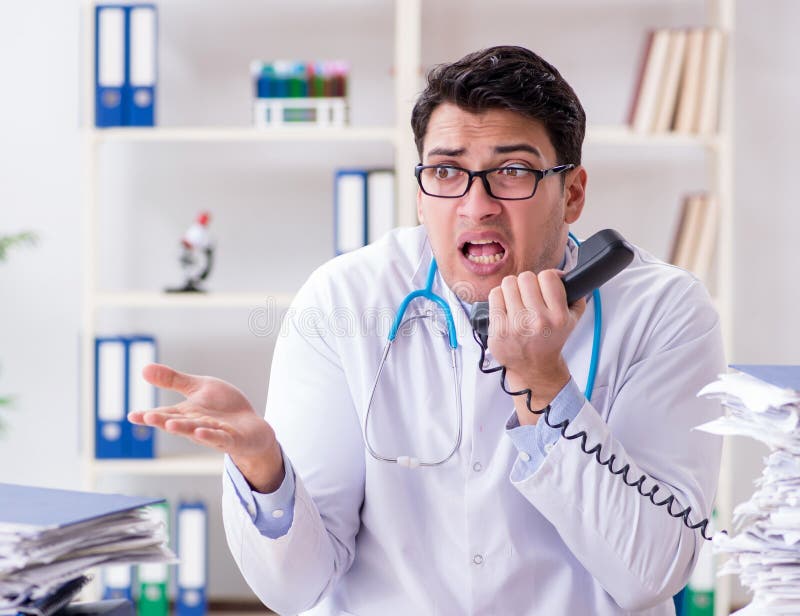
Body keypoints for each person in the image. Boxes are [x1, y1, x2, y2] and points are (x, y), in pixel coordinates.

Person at [128, 45, 724, 615]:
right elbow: (296, 588)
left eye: (512, 171)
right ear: (419, 194)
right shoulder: (344, 299)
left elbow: (652, 575)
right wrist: (264, 468)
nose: (476, 204)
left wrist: (544, 383)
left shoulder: (664, 312)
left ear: (572, 193)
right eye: (446, 171)